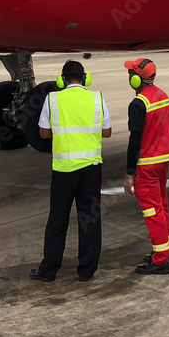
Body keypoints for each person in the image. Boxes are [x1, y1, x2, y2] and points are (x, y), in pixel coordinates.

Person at [30, 60, 112, 282]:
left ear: (62, 79)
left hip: (64, 169)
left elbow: (43, 133)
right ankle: (87, 271)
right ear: (85, 78)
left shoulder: (53, 99)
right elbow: (107, 132)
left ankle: (48, 271)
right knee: (90, 219)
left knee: (58, 220)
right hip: (91, 168)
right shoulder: (97, 98)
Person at [123, 58, 169, 275]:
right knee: (162, 206)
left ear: (137, 79)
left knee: (152, 210)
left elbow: (135, 140)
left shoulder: (138, 104)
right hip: (163, 160)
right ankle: (164, 251)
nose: (128, 77)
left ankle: (161, 260)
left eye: (131, 73)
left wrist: (129, 172)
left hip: (146, 164)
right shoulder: (165, 96)